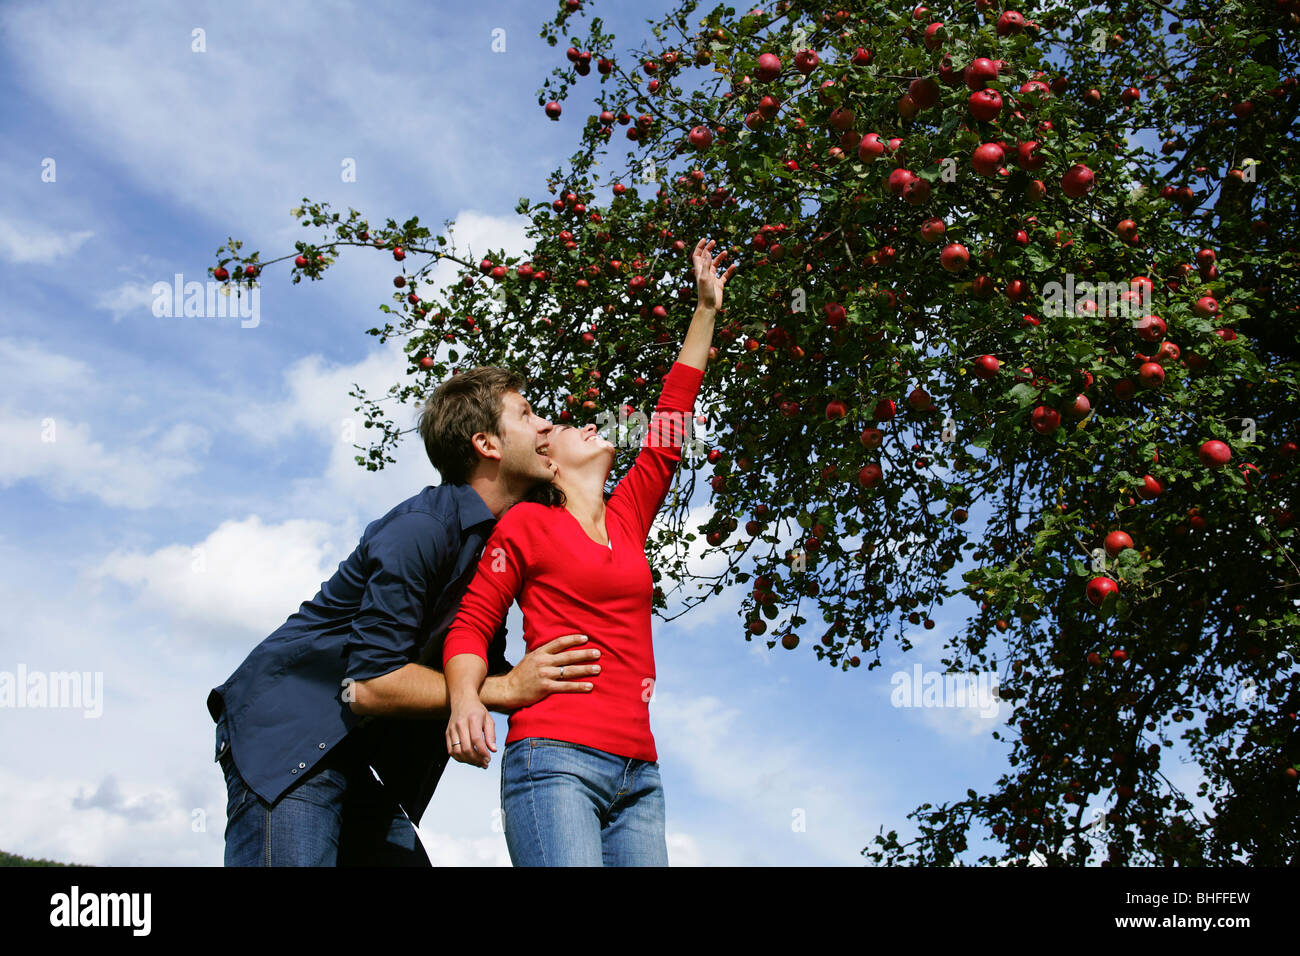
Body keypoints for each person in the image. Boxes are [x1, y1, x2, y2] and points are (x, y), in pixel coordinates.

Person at [206, 366, 603, 865]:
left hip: (355, 758)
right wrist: (505, 689)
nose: (545, 424)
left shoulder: (495, 552)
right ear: (487, 444)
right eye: (526, 414)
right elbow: (371, 683)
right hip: (290, 736)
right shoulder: (423, 527)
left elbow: (483, 663)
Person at [442, 238, 737, 866]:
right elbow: (471, 623)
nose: (583, 424)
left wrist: (705, 310)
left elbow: (669, 421)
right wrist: (470, 697)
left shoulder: (628, 518)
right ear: (549, 463)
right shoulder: (526, 526)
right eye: (568, 428)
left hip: (640, 773)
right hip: (555, 759)